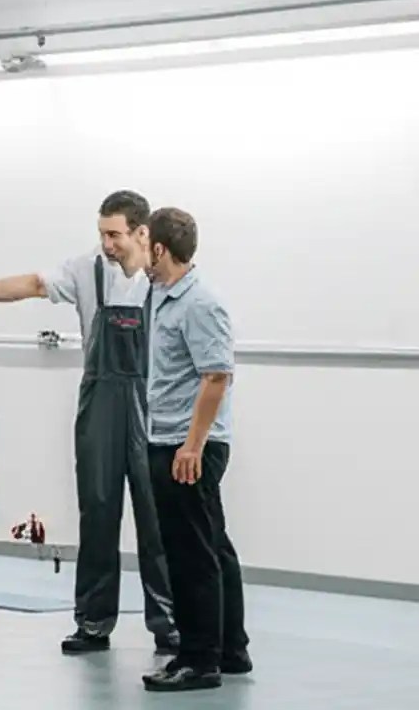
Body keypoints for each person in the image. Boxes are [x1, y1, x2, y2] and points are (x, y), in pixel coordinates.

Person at [0, 190, 178, 655]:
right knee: (98, 511)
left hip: (153, 403)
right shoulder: (87, 270)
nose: (107, 244)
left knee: (157, 516)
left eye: (115, 235)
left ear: (142, 233)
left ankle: (170, 625)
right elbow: (31, 284)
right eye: (102, 233)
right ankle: (93, 622)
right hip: (101, 402)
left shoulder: (162, 277)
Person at [136, 207, 251, 692]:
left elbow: (216, 376)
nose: (141, 255)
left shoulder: (199, 301)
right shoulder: (161, 295)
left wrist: (192, 446)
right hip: (172, 438)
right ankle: (230, 648)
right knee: (212, 543)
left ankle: (198, 659)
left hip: (186, 446)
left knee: (188, 553)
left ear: (160, 249)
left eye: (145, 245)